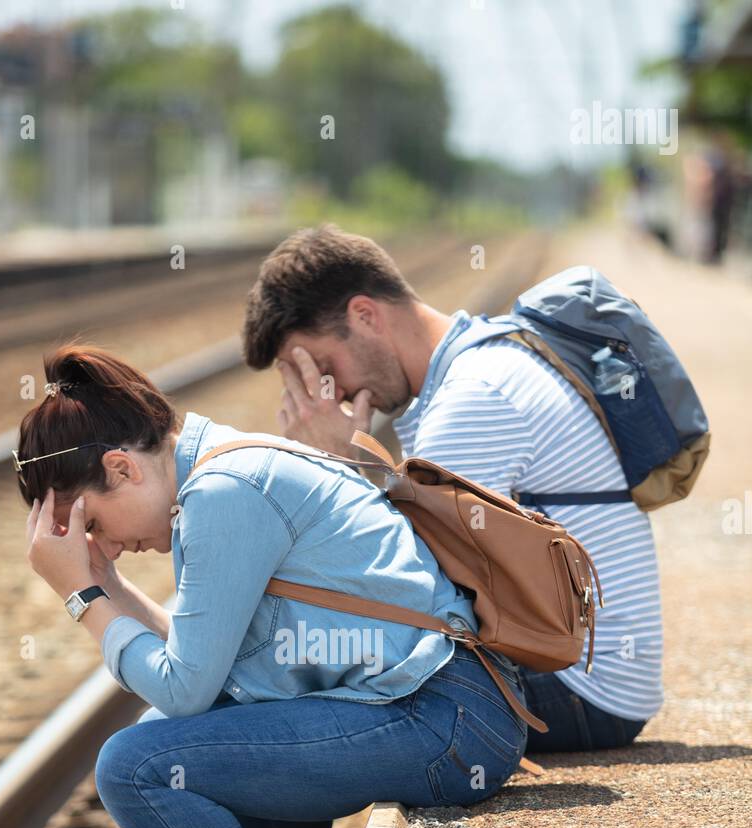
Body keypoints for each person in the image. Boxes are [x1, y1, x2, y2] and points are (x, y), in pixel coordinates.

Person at [16, 344, 528, 828]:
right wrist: (110, 581)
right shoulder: (218, 470)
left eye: (97, 522)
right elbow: (204, 666)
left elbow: (185, 689)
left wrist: (80, 598)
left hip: (445, 718)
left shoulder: (224, 494)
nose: (108, 541)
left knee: (135, 764)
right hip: (441, 706)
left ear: (122, 469)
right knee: (192, 730)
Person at [242, 223, 663, 755]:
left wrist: (337, 464)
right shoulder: (482, 357)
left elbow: (408, 589)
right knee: (298, 664)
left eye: (323, 370)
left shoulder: (473, 398)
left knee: (288, 674)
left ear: (365, 316)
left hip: (580, 688)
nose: (332, 393)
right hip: (591, 669)